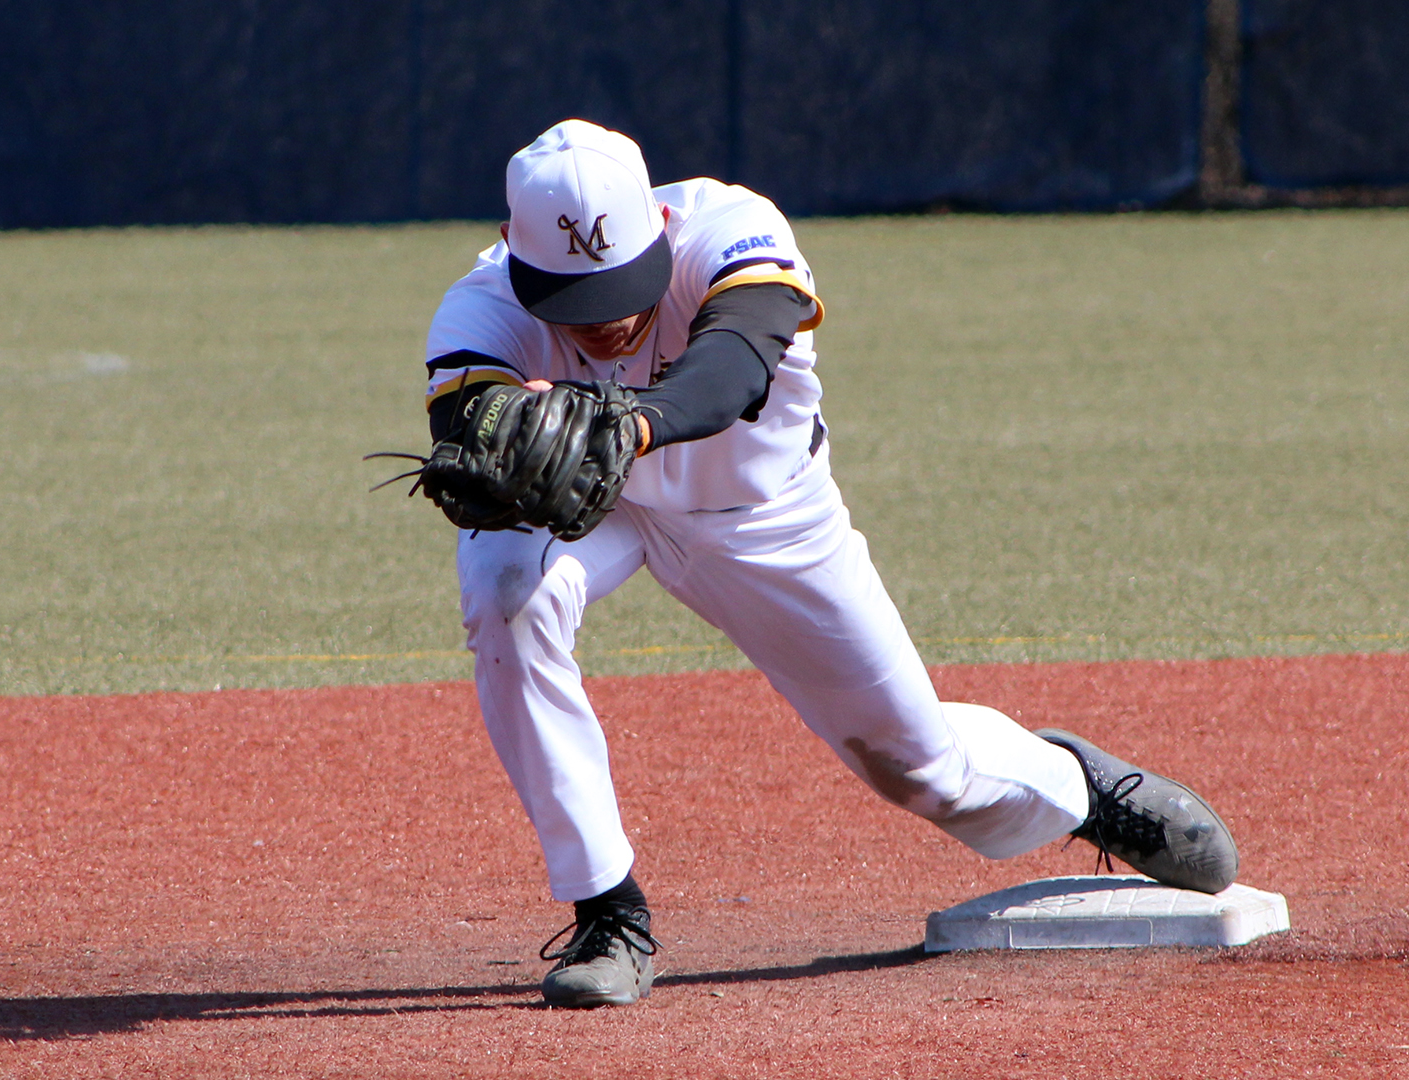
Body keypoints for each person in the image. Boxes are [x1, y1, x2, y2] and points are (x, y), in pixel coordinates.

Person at [416, 119, 1238, 1008]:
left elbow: (733, 367)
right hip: (599, 513)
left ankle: (1076, 787)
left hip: (763, 513)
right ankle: (608, 913)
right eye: (577, 301)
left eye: (623, 287)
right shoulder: (481, 306)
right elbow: (466, 428)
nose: (607, 320)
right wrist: (483, 451)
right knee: (506, 592)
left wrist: (633, 424)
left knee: (922, 769)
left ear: (660, 225)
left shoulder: (734, 229)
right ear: (512, 253)